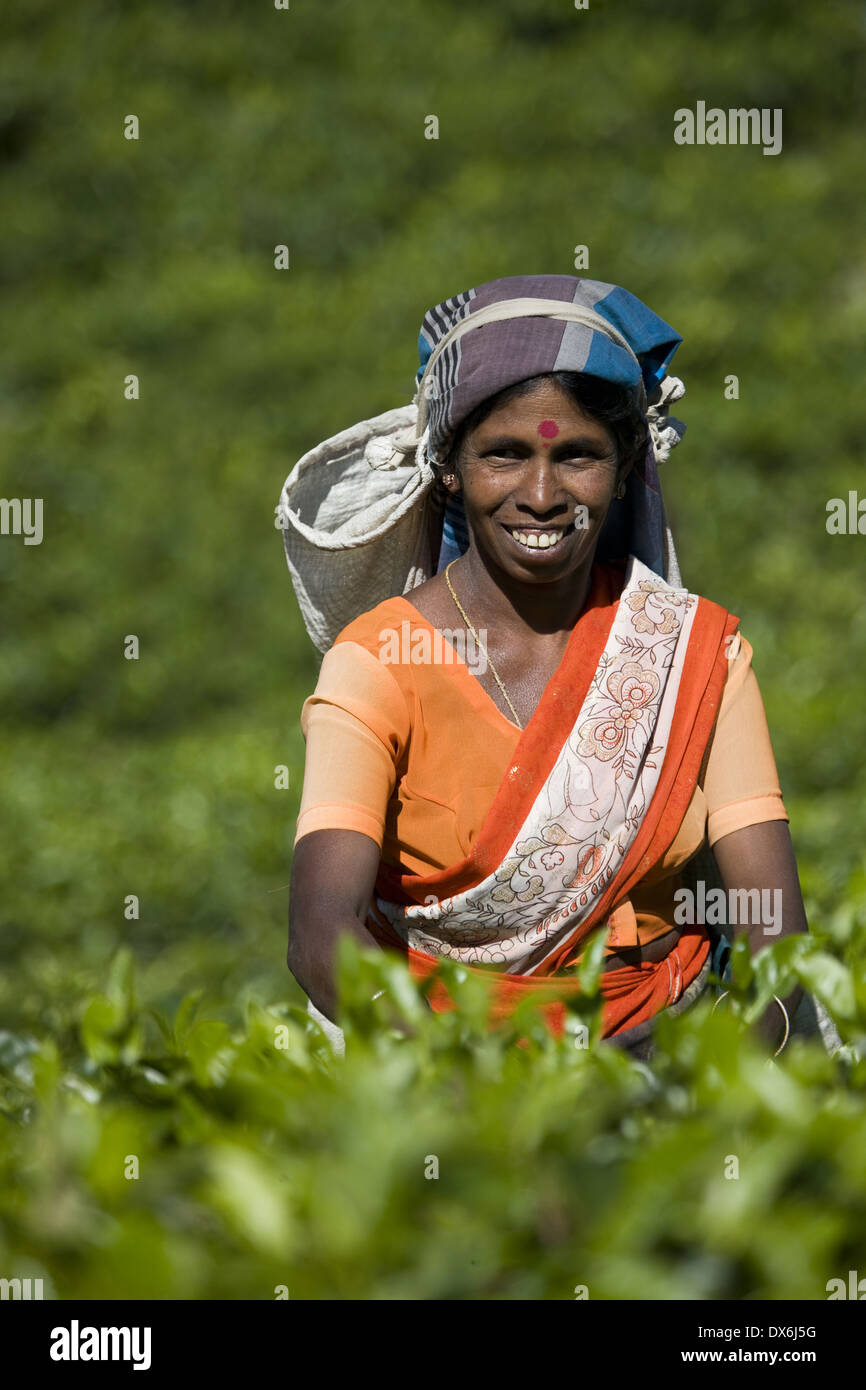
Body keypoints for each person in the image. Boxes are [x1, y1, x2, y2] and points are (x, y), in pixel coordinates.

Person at [286, 273, 810, 1060]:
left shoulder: (694, 656)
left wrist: (712, 1084)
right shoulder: (380, 663)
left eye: (578, 457)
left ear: (626, 464)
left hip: (665, 1063)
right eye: (504, 454)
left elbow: (778, 936)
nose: (541, 493)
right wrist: (471, 1090)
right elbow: (321, 936)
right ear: (451, 467)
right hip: (440, 1065)